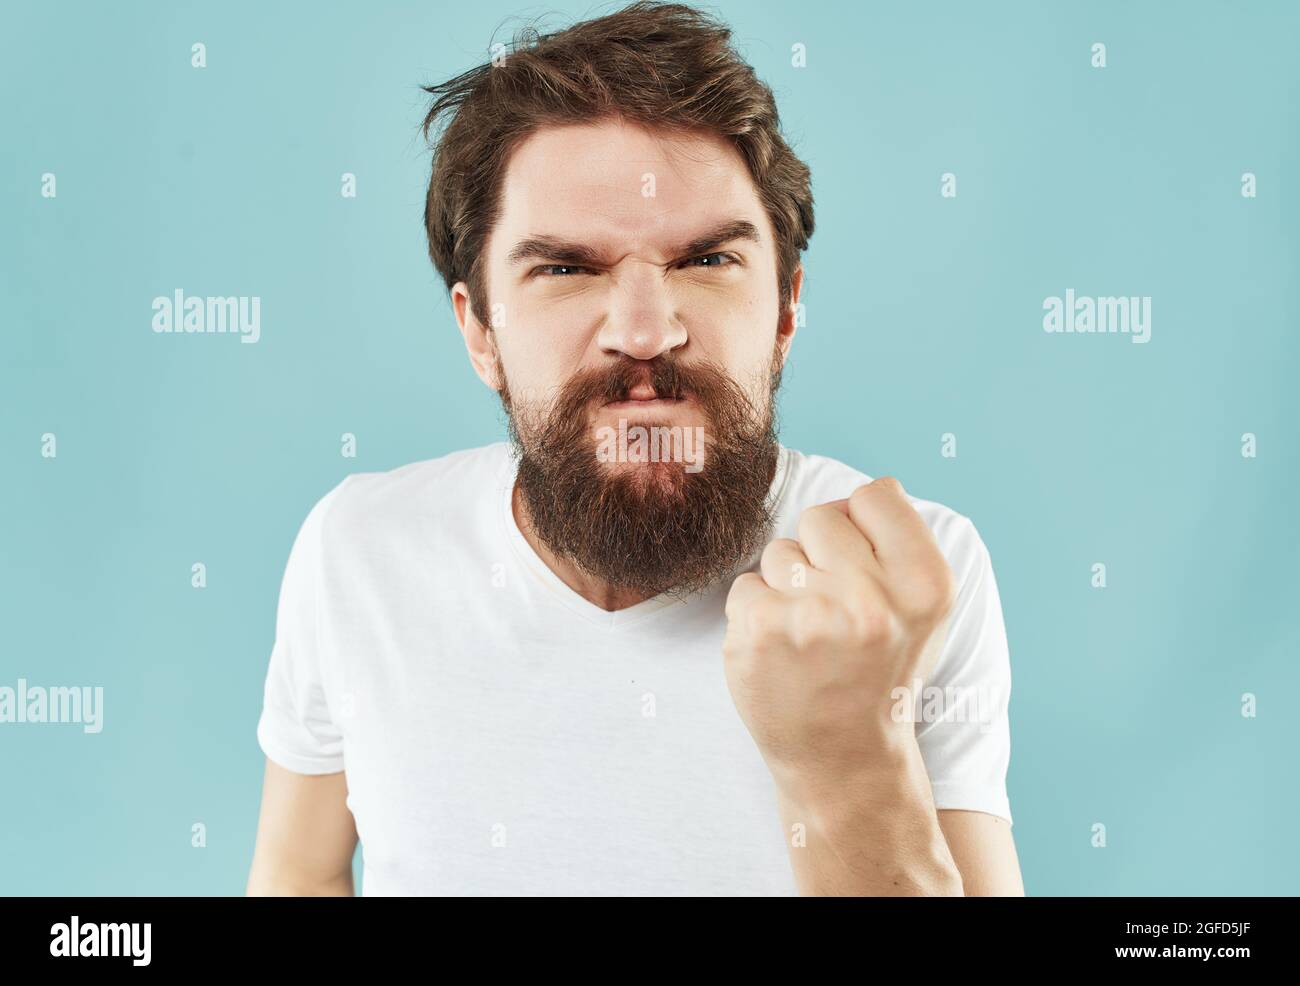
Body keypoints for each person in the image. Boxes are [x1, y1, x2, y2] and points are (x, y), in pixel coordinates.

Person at [247, 1, 1023, 896]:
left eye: (706, 261)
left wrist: (846, 766)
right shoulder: (356, 552)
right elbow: (296, 879)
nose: (645, 333)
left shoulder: (909, 576)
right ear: (481, 332)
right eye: (567, 270)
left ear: (784, 311)